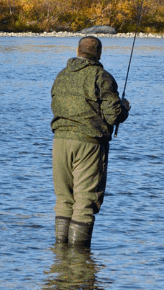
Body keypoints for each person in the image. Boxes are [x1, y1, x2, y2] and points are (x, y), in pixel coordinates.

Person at [50, 36, 130, 248]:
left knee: (64, 200)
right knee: (84, 202)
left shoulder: (61, 74)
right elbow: (113, 116)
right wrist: (124, 107)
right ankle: (79, 261)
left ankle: (60, 256)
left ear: (77, 50)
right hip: (89, 143)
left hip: (60, 142)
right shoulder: (102, 77)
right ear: (99, 54)